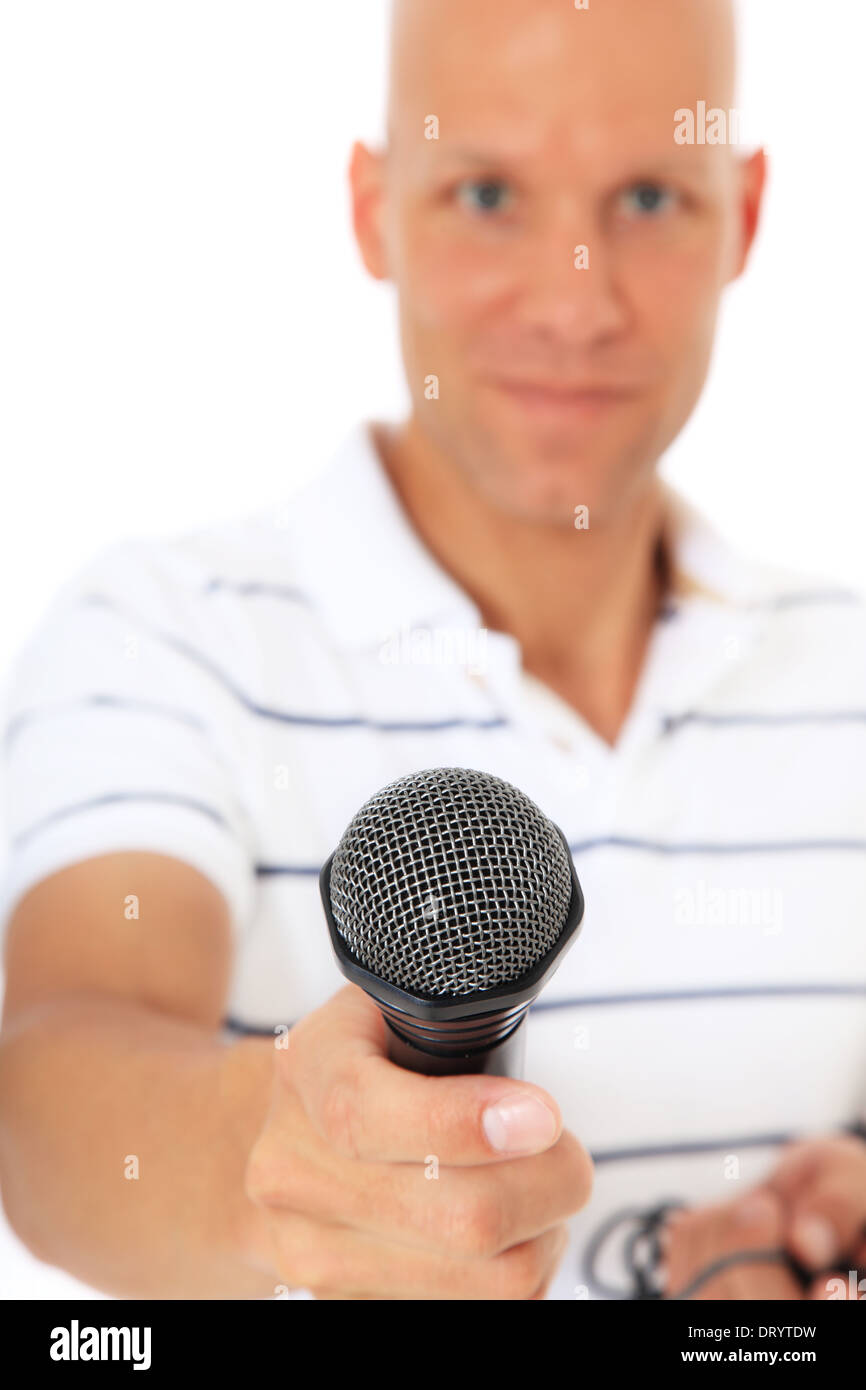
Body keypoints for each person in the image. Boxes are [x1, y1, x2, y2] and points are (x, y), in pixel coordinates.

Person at [1, 0, 865, 1301]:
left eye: (645, 196)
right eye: (483, 192)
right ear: (372, 207)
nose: (574, 302)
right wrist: (285, 1162)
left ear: (741, 215)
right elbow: (54, 1091)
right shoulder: (163, 631)